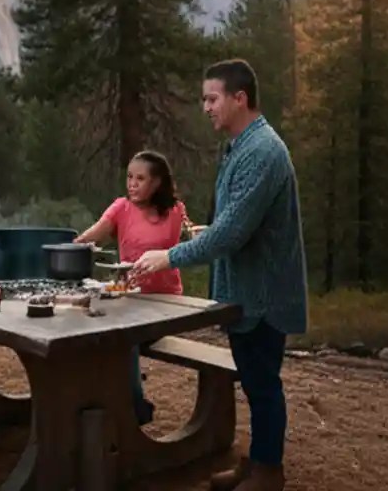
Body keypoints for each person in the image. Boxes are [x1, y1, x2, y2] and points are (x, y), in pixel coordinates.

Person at [131, 59, 308, 491]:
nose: (206, 107)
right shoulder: (239, 146)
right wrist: (214, 230)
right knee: (251, 380)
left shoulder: (263, 151)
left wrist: (168, 256)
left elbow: (232, 234)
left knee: (263, 384)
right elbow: (238, 223)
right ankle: (256, 460)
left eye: (212, 98)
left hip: (263, 294)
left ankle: (270, 473)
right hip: (245, 293)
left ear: (239, 98)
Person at [74, 149, 191, 425]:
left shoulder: (176, 211)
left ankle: (133, 409)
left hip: (167, 303)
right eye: (129, 177)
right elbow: (92, 236)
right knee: (103, 335)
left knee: (123, 340)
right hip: (131, 301)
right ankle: (119, 403)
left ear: (157, 183)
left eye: (140, 178)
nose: (132, 184)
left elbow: (194, 237)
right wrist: (71, 247)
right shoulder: (121, 208)